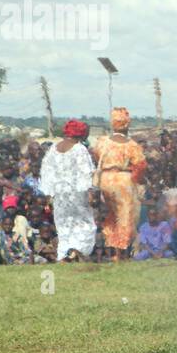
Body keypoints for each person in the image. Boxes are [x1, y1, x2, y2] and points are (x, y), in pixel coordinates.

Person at [40, 119, 98, 263]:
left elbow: (47, 173)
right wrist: (90, 193)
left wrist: (49, 194)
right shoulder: (79, 149)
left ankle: (65, 255)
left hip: (60, 195)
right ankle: (74, 252)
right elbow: (86, 173)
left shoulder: (53, 148)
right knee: (84, 225)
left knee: (64, 226)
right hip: (77, 193)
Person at [91, 108, 145, 258]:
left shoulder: (102, 142)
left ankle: (111, 248)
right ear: (127, 125)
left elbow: (96, 158)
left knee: (110, 215)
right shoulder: (132, 145)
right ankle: (121, 251)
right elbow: (140, 166)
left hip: (105, 180)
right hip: (124, 181)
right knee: (125, 216)